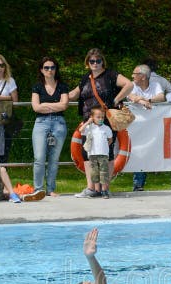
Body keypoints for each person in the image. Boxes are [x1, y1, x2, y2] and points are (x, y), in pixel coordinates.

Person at [68, 48, 133, 197]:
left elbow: (129, 85)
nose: (95, 64)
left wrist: (115, 100)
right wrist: (59, 96)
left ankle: (104, 188)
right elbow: (74, 94)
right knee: (87, 152)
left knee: (107, 153)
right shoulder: (85, 78)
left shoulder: (111, 75)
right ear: (87, 63)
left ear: (102, 61)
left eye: (98, 61)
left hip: (106, 120)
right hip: (89, 121)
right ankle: (91, 188)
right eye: (92, 61)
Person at [31, 56, 69, 197]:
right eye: (46, 67)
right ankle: (38, 189)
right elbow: (36, 107)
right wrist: (55, 106)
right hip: (41, 123)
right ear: (41, 70)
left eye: (52, 67)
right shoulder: (37, 87)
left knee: (54, 158)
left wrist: (45, 105)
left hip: (59, 123)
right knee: (39, 157)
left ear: (56, 69)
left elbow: (64, 105)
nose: (49, 70)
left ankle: (51, 189)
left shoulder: (63, 86)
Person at [127, 64, 165, 192]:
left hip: (154, 126)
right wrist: (141, 101)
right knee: (139, 151)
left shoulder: (155, 85)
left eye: (134, 73)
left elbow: (161, 97)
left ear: (143, 76)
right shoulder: (132, 85)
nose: (132, 76)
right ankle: (138, 184)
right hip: (137, 127)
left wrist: (148, 99)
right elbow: (130, 96)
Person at [78, 105, 113, 199]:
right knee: (95, 173)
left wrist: (104, 147)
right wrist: (88, 122)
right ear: (92, 117)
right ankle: (97, 190)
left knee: (104, 173)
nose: (101, 119)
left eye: (102, 117)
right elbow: (81, 130)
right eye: (98, 117)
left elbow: (110, 140)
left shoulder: (106, 128)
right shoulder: (90, 127)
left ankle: (104, 191)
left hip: (103, 155)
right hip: (92, 155)